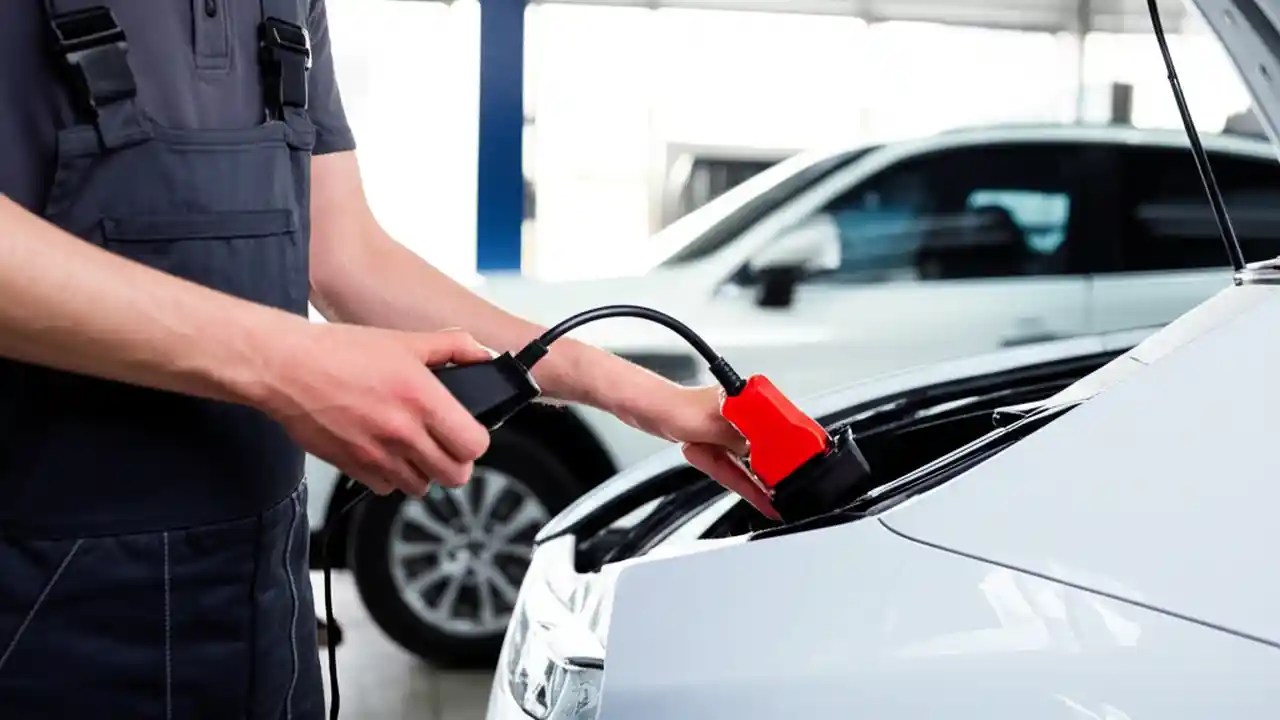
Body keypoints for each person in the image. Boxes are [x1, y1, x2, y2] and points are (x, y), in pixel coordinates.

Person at [0, 1, 774, 716]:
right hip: (33, 602)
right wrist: (290, 365)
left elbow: (345, 259)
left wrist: (638, 394)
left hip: (256, 600)